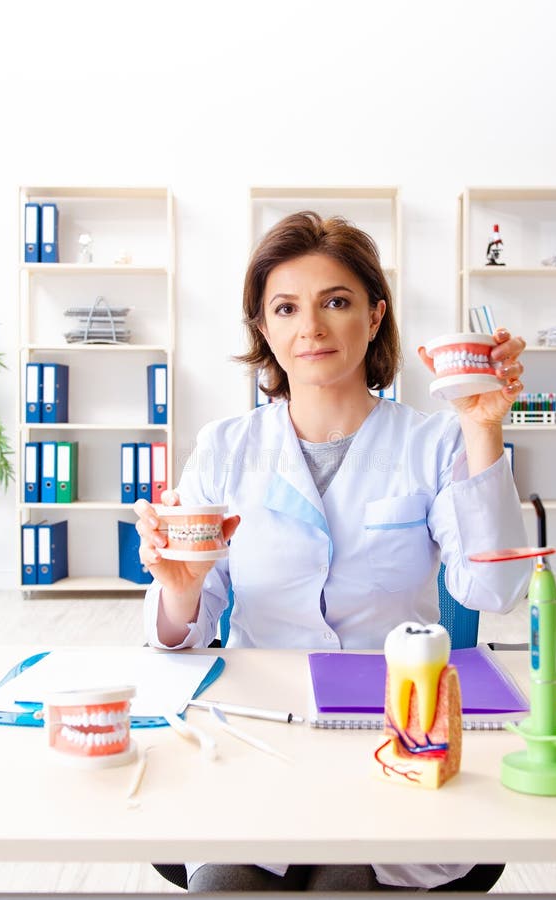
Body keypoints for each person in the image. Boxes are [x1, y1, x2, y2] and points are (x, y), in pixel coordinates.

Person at [135, 211, 531, 892]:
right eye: (284, 308)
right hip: (258, 734)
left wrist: (482, 430)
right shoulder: (226, 448)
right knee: (226, 883)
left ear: (374, 318)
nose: (310, 327)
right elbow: (180, 642)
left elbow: (494, 591)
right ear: (263, 329)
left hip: (392, 731)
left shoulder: (433, 443)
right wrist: (181, 588)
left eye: (336, 302)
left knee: (348, 880)